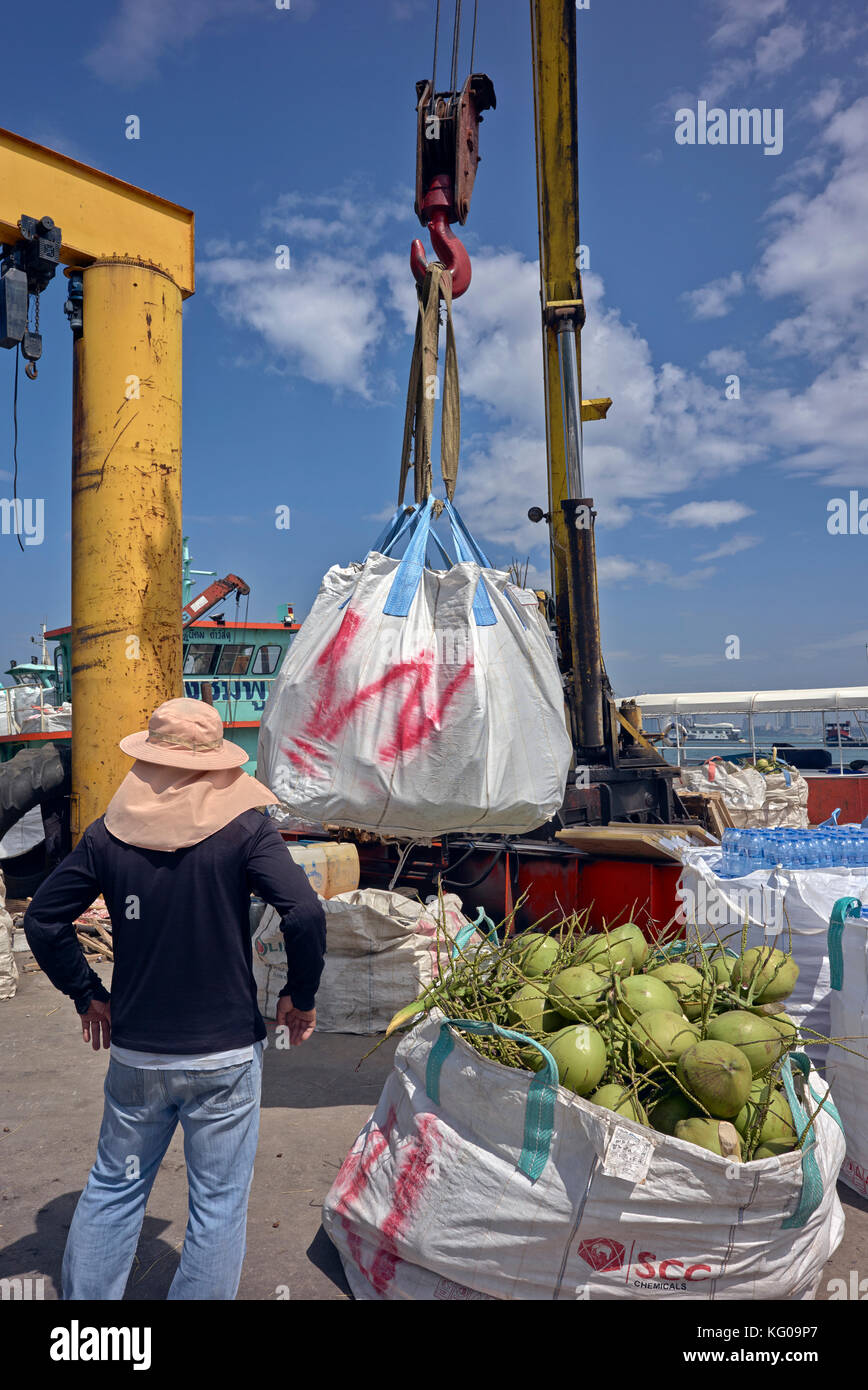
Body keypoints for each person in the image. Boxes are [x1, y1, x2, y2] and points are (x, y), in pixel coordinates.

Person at [24, 697, 326, 1301]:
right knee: (216, 1207)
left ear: (151, 758)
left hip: (138, 1056)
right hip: (225, 1059)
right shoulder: (247, 828)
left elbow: (43, 921)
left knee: (115, 1187)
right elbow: (304, 912)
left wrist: (89, 997)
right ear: (216, 762)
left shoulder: (108, 834)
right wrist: (299, 995)